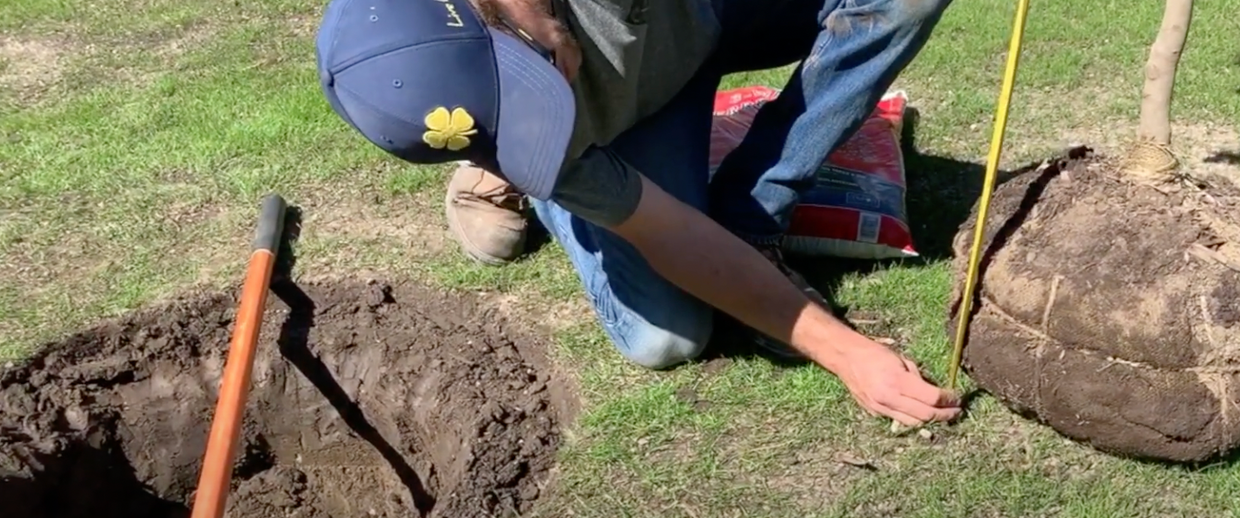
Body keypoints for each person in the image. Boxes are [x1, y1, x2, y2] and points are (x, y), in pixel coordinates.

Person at [314, 0, 961, 426]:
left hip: (711, 16)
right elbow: (670, 233)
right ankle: (531, 174)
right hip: (640, 111)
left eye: (529, 76)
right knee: (667, 336)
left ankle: (749, 212)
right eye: (517, 114)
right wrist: (847, 353)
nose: (553, 84)